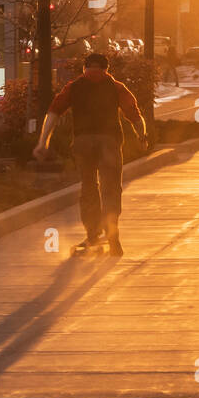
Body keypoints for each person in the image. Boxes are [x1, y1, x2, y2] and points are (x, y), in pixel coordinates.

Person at [34, 53, 148, 256]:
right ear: (107, 69)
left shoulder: (74, 87)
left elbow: (53, 112)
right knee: (111, 188)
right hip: (109, 142)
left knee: (88, 187)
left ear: (84, 68)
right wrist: (143, 136)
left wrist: (43, 142)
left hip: (83, 143)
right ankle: (112, 235)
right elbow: (133, 113)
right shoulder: (116, 86)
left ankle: (92, 234)